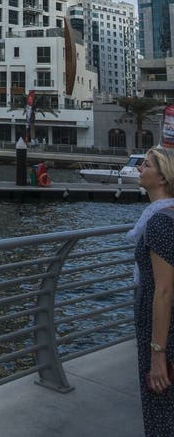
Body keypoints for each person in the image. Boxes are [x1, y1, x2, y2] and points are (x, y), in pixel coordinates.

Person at [129, 146, 174, 434]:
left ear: (163, 178)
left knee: (160, 405)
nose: (139, 169)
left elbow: (164, 291)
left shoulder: (159, 222)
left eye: (145, 165)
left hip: (160, 329)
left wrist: (158, 354)